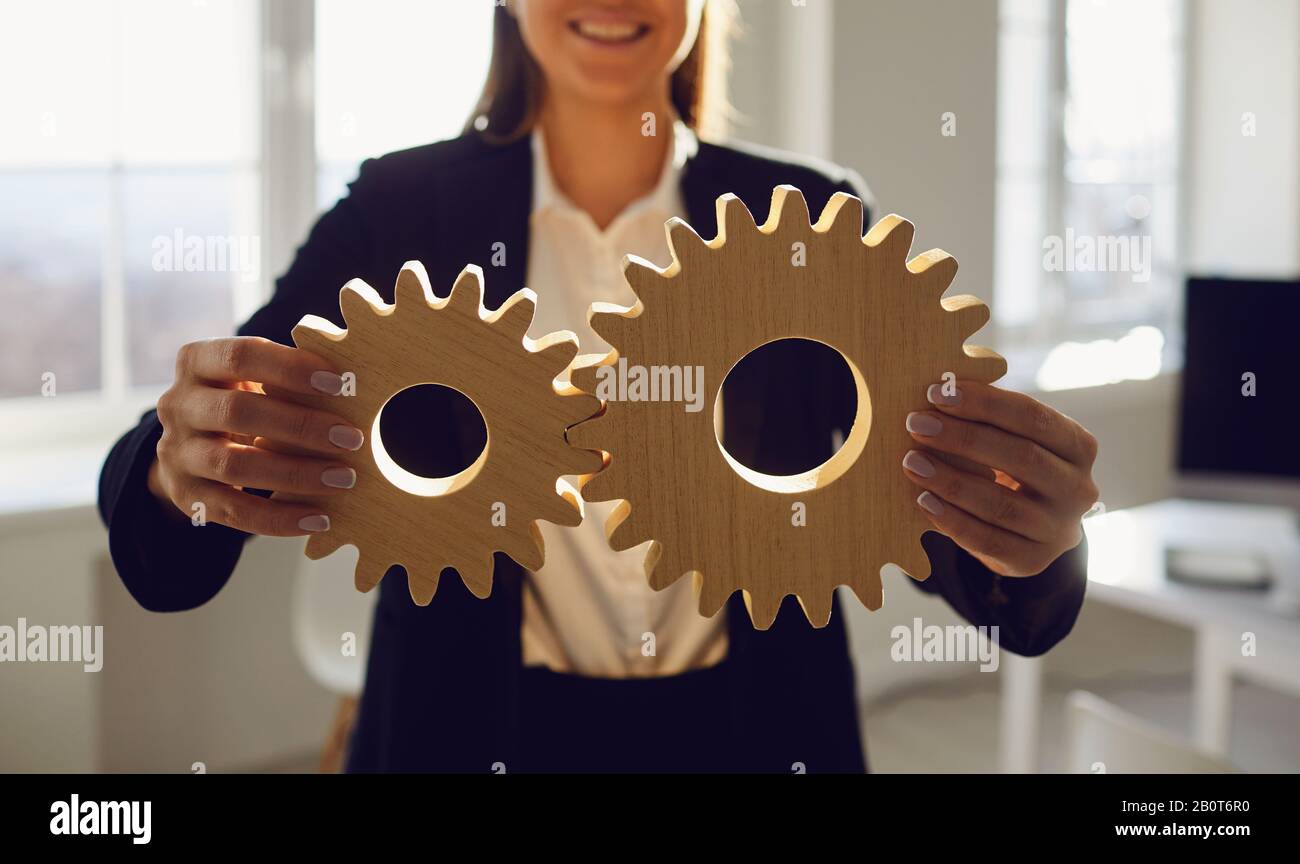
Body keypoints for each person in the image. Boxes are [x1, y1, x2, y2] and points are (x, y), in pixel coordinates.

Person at [98, 0, 1099, 772]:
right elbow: (188, 522)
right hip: (472, 728)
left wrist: (1036, 544)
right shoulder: (399, 211)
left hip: (751, 731)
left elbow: (922, 519)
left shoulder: (809, 216)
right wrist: (172, 465)